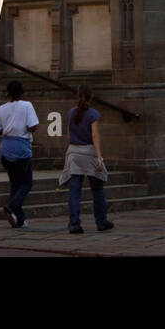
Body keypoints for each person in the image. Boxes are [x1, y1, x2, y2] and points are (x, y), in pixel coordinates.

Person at [58, 83, 114, 233]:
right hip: (89, 152)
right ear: (91, 97)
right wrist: (99, 157)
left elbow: (69, 135)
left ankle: (74, 224)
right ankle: (101, 221)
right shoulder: (93, 114)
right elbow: (95, 135)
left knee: (74, 190)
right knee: (97, 188)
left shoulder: (70, 113)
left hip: (74, 153)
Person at [0, 79, 39, 228]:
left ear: (8, 93)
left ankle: (18, 220)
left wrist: (8, 127)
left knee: (15, 184)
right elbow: (33, 126)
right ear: (22, 92)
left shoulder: (2, 108)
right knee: (27, 183)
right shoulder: (27, 106)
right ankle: (12, 206)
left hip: (6, 148)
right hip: (21, 148)